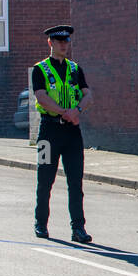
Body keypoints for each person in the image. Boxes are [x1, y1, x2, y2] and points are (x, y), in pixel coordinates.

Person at [32, 25, 93, 242]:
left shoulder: (76, 69)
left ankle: (78, 228)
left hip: (72, 133)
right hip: (48, 131)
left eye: (66, 41)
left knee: (76, 182)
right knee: (44, 179)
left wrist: (76, 111)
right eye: (58, 42)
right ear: (50, 43)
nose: (63, 45)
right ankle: (40, 222)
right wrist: (63, 112)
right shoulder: (40, 69)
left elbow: (88, 95)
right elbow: (41, 97)